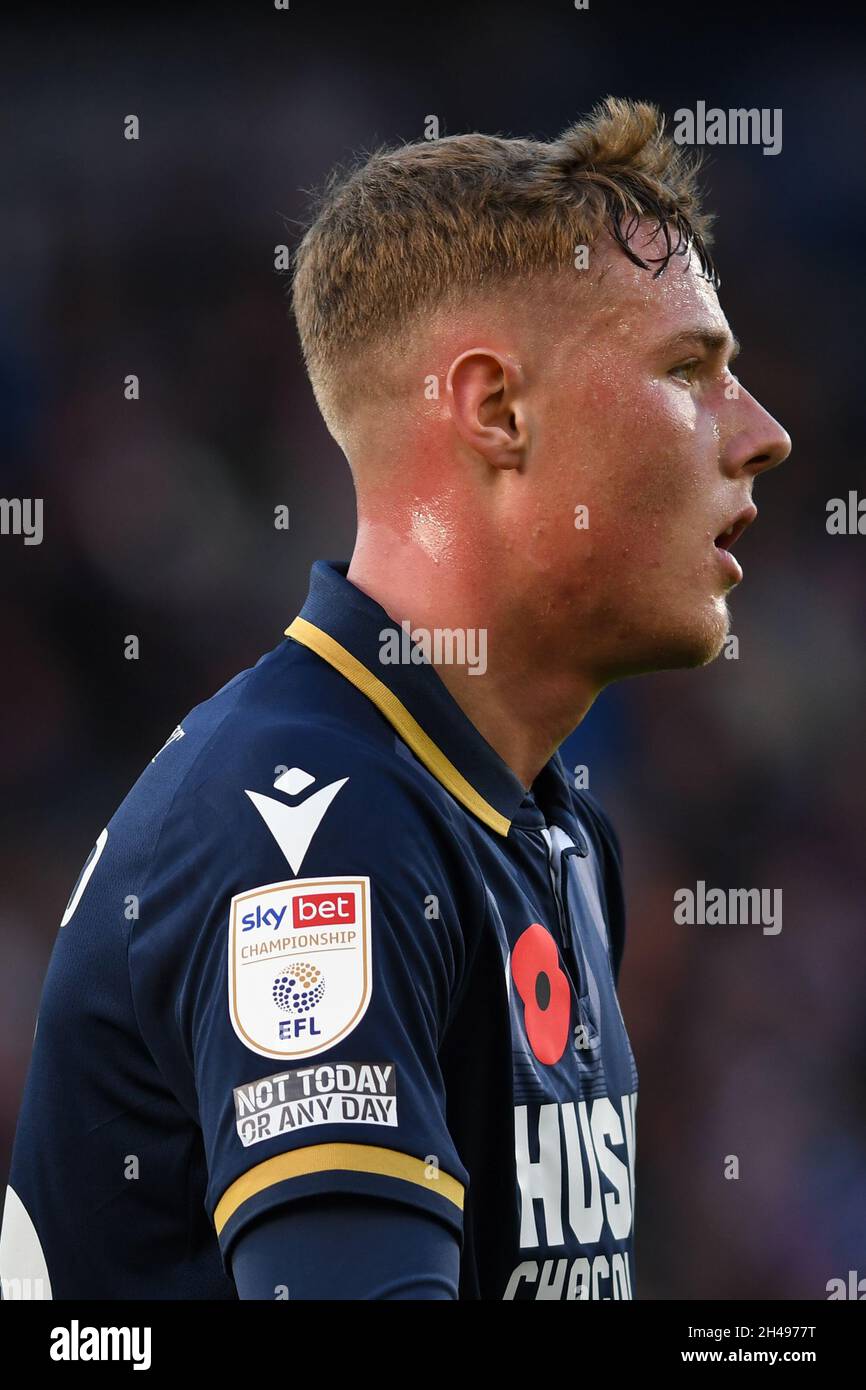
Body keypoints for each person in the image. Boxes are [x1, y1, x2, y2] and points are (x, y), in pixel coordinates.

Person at [0, 95, 790, 1301]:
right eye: (689, 368)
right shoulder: (311, 832)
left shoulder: (549, 833)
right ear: (495, 411)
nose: (763, 434)